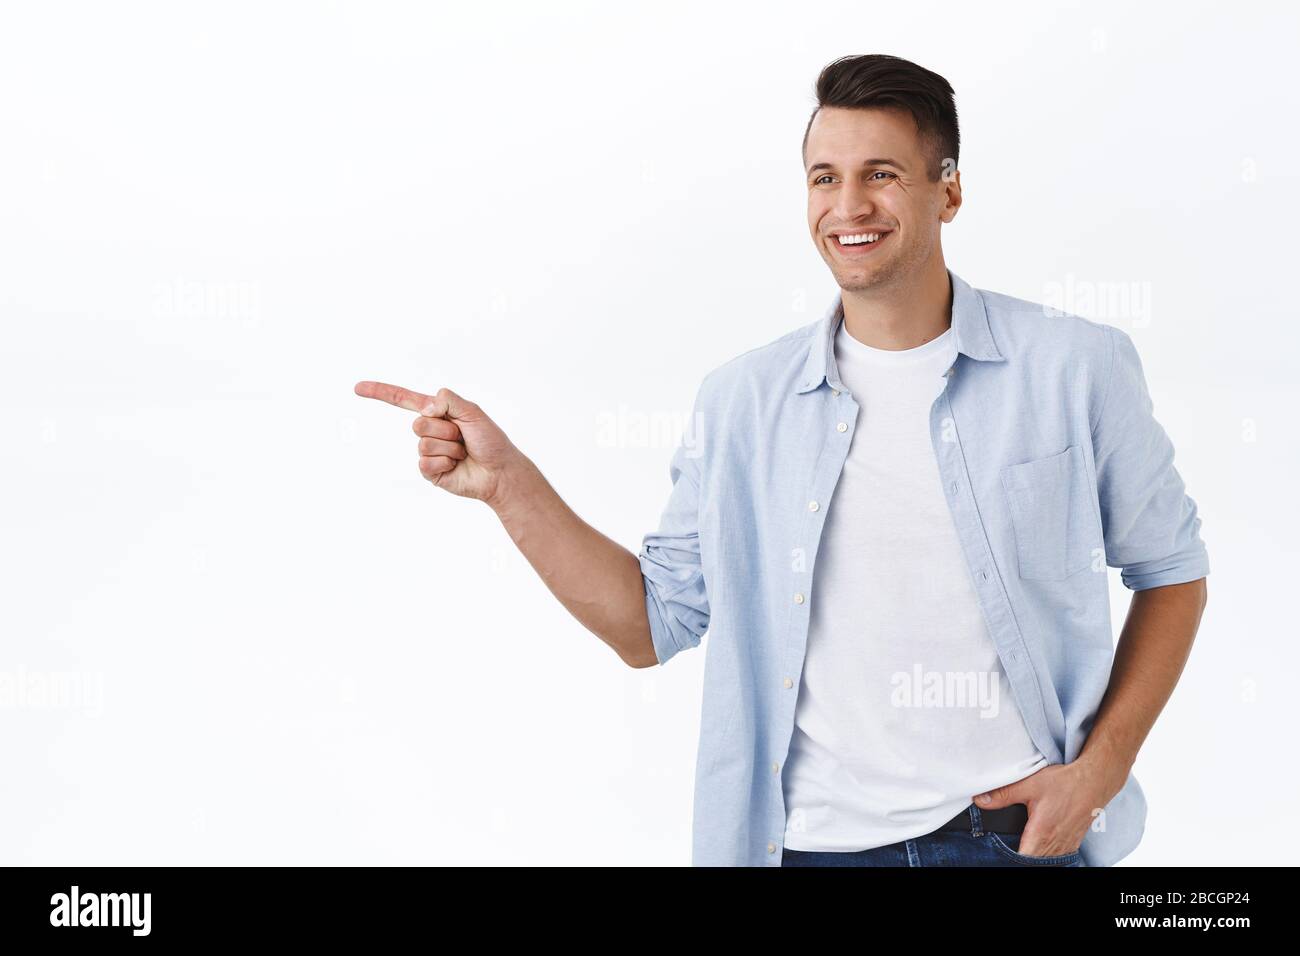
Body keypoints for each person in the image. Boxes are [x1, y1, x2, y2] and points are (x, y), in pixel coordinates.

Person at [354, 53, 1209, 868]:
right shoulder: (742, 403)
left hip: (1012, 836)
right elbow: (649, 627)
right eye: (824, 178)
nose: (849, 206)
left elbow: (1172, 572)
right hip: (804, 846)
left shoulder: (1074, 368)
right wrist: (508, 485)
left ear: (948, 191)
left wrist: (1095, 777)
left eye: (882, 174)